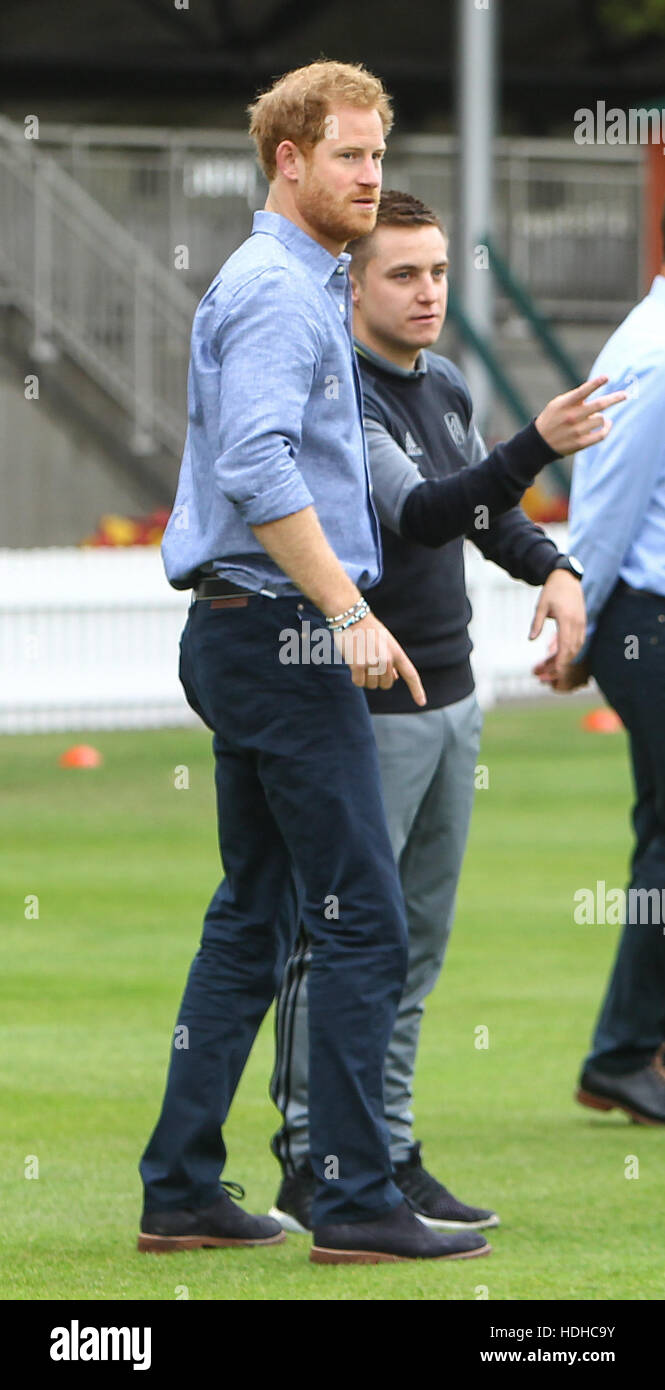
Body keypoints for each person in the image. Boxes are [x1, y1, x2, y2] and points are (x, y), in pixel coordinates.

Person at [138, 60, 499, 1268]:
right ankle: (351, 1198)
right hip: (275, 633)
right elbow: (256, 464)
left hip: (249, 627)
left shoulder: (299, 282)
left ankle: (182, 1187)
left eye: (377, 158)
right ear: (285, 161)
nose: (367, 177)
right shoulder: (283, 293)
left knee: (256, 914)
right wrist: (344, 610)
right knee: (363, 918)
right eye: (346, 156)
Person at [269, 190, 624, 1234]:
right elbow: (418, 514)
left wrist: (553, 566)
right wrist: (535, 443)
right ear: (354, 286)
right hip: (367, 704)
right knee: (336, 937)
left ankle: (387, 1143)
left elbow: (484, 510)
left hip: (453, 699)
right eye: (402, 275)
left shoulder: (445, 381)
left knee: (414, 945)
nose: (427, 294)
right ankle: (309, 1150)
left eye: (436, 274)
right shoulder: (346, 397)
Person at [535, 206, 665, 1126]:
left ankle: (630, 1050)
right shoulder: (654, 352)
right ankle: (623, 1052)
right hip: (647, 618)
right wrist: (580, 620)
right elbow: (607, 496)